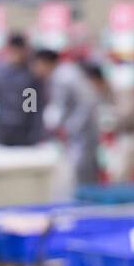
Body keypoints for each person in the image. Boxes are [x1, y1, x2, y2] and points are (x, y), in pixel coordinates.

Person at [31, 49, 100, 187]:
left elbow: (87, 102)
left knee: (81, 177)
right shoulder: (64, 73)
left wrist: (69, 127)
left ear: (45, 63)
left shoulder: (62, 77)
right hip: (80, 133)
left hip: (82, 134)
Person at [0, 33, 43, 146]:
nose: (16, 53)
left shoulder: (31, 77)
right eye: (13, 49)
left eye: (19, 50)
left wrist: (34, 136)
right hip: (0, 132)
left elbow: (32, 108)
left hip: (23, 134)